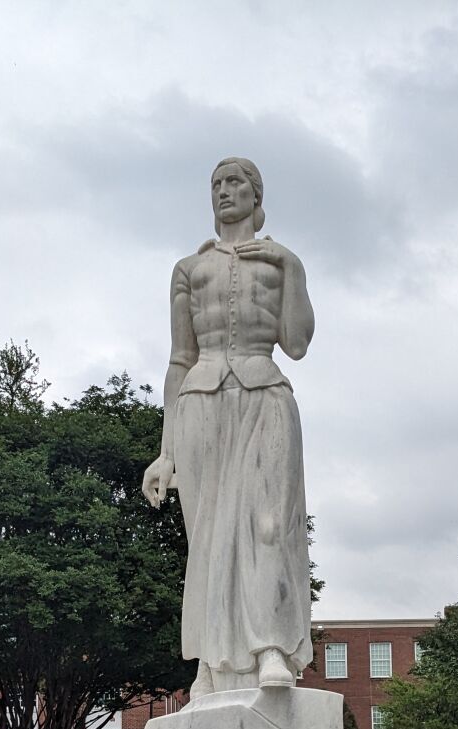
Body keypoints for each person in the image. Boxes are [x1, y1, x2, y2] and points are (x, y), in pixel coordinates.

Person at [143, 157, 316, 698]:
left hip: (265, 392)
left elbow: (298, 343)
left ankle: (270, 650)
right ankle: (213, 665)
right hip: (201, 402)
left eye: (235, 182)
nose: (224, 191)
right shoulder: (188, 270)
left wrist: (293, 268)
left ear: (256, 194)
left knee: (269, 524)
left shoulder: (278, 263)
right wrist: (165, 452)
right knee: (211, 538)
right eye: (216, 184)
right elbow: (178, 358)